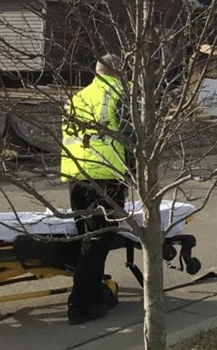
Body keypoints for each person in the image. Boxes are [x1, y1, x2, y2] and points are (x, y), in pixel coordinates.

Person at [61, 54, 128, 325]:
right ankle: (81, 305)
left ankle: (95, 292)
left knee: (87, 242)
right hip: (105, 178)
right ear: (118, 72)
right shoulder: (120, 95)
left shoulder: (77, 98)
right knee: (98, 242)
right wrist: (134, 171)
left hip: (77, 177)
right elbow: (132, 136)